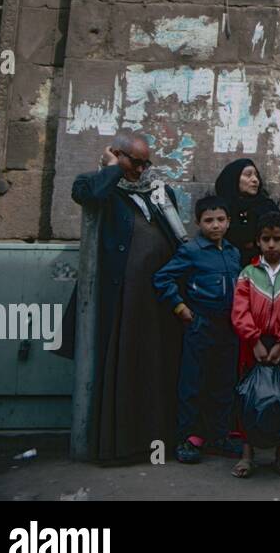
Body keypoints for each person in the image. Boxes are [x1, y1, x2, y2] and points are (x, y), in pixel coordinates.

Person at [61, 133, 186, 464]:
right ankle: (120, 449)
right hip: (122, 299)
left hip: (159, 296)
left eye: (147, 164)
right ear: (116, 155)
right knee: (124, 367)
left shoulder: (159, 191)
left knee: (157, 367)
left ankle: (159, 446)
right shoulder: (96, 184)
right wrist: (113, 168)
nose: (143, 170)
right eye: (136, 162)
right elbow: (91, 196)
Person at [153, 195, 244, 465]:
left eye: (220, 220)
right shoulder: (191, 251)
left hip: (228, 326)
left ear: (228, 222)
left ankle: (218, 436)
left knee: (224, 382)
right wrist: (180, 307)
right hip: (200, 324)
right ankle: (187, 439)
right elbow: (162, 278)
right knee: (193, 382)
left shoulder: (232, 252)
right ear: (198, 223)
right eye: (208, 221)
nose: (215, 226)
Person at [230, 212, 280, 479]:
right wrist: (253, 340)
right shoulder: (248, 274)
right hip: (253, 344)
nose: (272, 245)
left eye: (277, 239)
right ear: (258, 242)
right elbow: (239, 311)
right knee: (249, 398)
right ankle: (247, 455)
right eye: (266, 239)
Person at [215, 158, 280, 266]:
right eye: (248, 175)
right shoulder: (220, 209)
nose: (255, 180)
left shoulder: (267, 207)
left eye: (256, 175)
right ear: (234, 178)